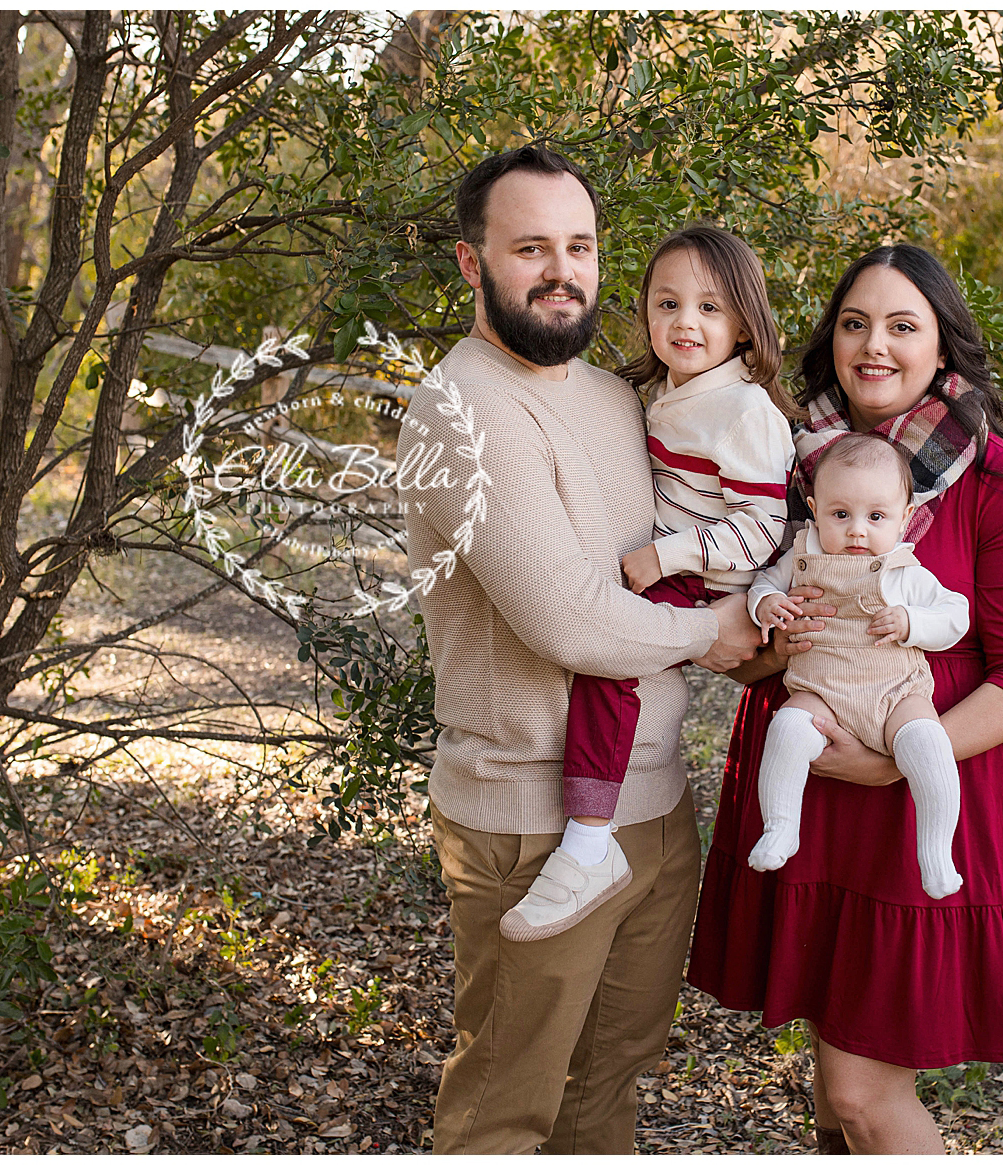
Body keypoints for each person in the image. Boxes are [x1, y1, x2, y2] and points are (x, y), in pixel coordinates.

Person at [397, 144, 760, 1154]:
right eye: (529, 248)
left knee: (608, 1088)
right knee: (504, 1109)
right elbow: (570, 619)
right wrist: (714, 637)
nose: (560, 270)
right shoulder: (457, 412)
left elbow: (692, 543)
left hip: (650, 806)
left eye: (580, 246)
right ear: (473, 265)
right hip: (530, 821)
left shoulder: (611, 397)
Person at [687, 244, 1003, 1154]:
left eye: (903, 326)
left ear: (944, 349)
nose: (874, 346)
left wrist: (892, 757)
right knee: (830, 1086)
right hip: (810, 787)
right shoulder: (790, 471)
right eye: (854, 323)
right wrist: (747, 646)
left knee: (860, 1094)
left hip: (923, 800)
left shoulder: (999, 488)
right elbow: (750, 647)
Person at [501, 225, 800, 942]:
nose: (684, 323)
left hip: (711, 583)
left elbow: (761, 526)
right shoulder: (666, 391)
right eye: (666, 304)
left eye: (708, 308)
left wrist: (665, 560)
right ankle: (593, 828)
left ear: (744, 326)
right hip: (681, 569)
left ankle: (586, 842)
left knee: (610, 663)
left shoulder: (743, 409)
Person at [745, 433, 970, 899]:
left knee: (928, 744)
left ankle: (935, 851)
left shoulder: (904, 571)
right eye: (840, 514)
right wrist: (766, 602)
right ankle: (781, 827)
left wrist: (912, 623)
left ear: (905, 519)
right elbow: (765, 580)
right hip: (819, 689)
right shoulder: (804, 555)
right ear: (814, 509)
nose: (857, 531)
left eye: (876, 517)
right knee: (786, 730)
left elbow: (956, 615)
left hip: (895, 694)